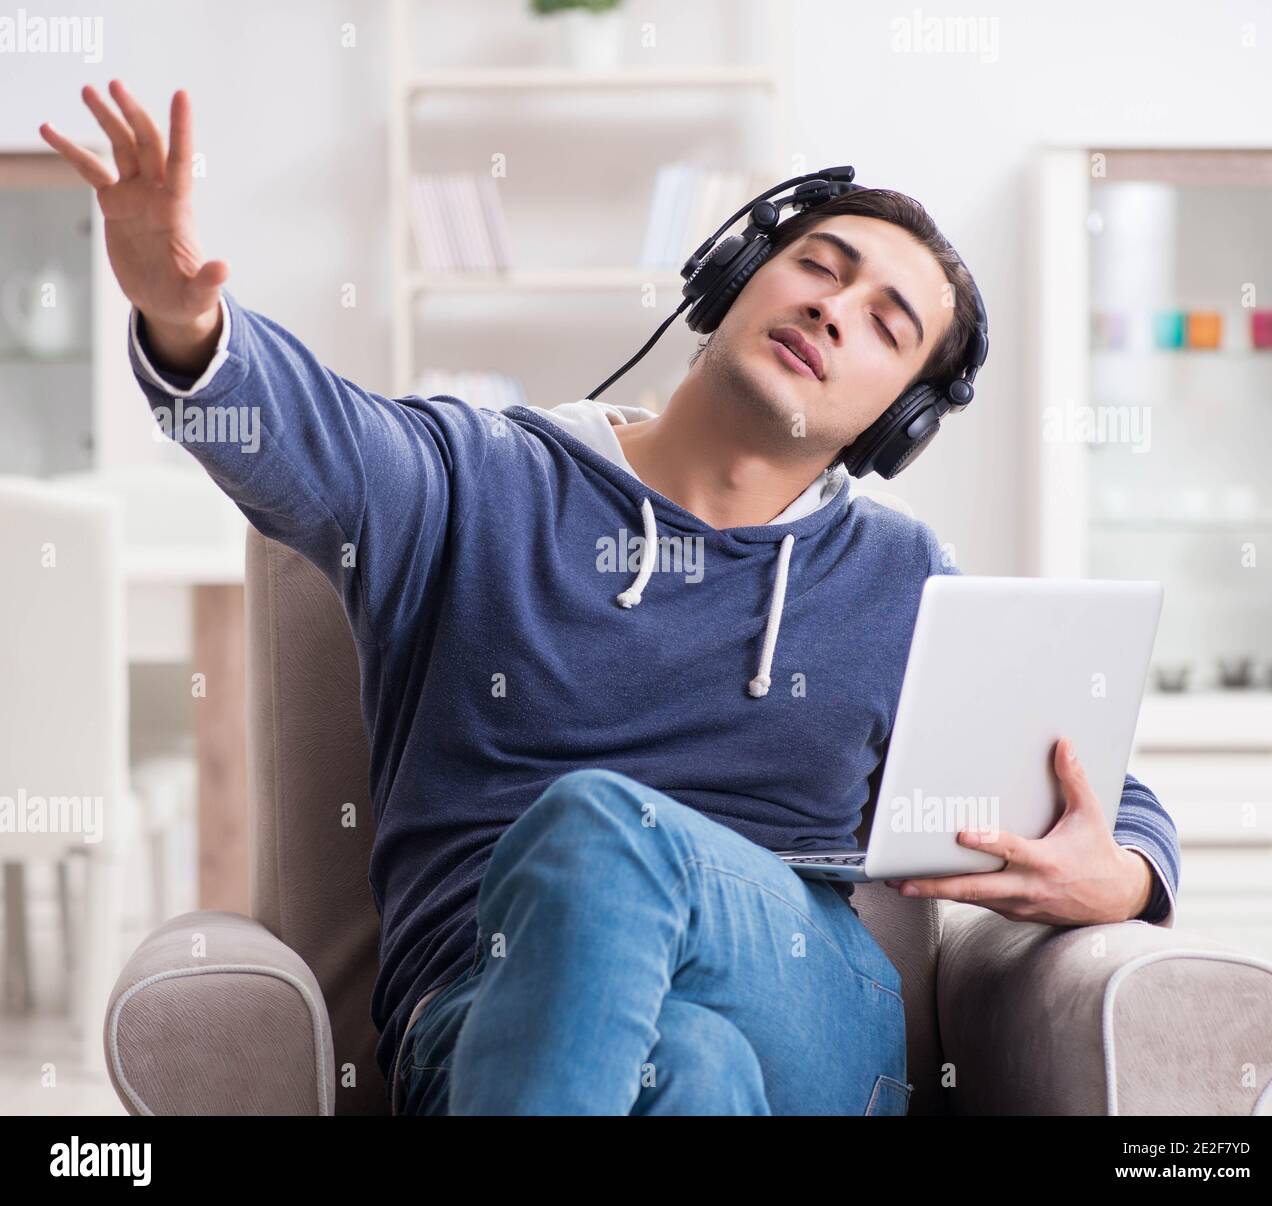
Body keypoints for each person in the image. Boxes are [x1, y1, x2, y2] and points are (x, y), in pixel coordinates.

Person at [40, 81, 1179, 1116]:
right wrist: (188, 327)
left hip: (810, 1011)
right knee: (688, 1067)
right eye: (818, 267)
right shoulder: (473, 478)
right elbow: (312, 438)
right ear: (731, 281)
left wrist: (1119, 871)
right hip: (478, 1018)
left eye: (886, 325)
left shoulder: (900, 579)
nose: (834, 310)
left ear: (896, 424)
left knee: (604, 827)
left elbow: (1104, 796)